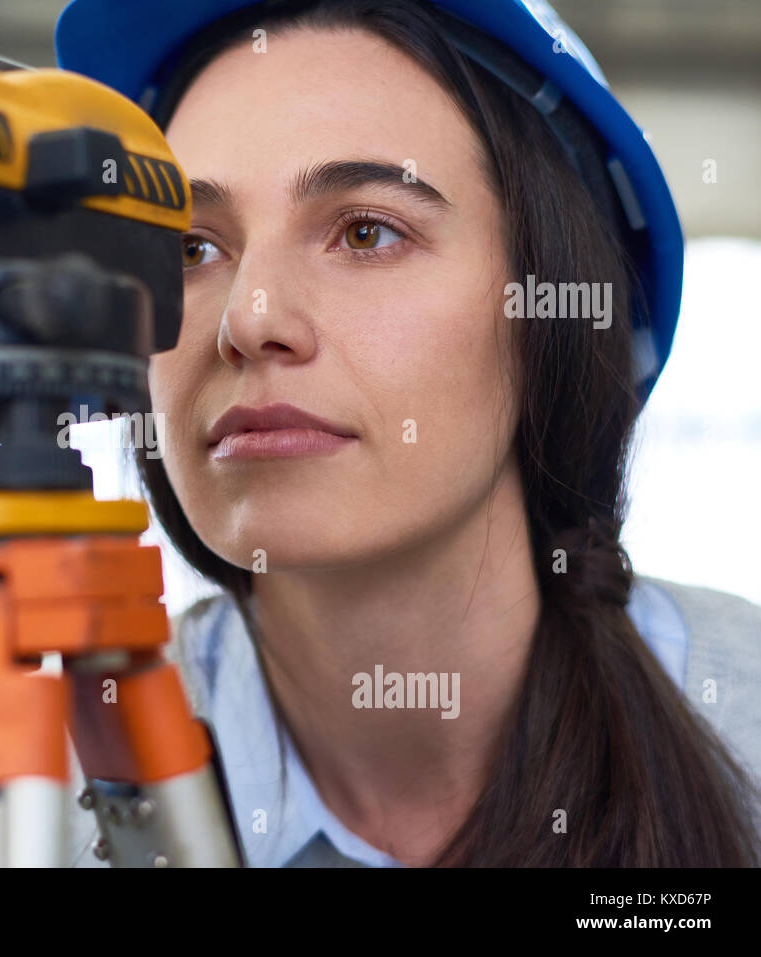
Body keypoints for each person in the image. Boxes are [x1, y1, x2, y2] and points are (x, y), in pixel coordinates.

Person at [55, 0, 761, 866]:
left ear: (548, 314)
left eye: (365, 232)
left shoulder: (743, 720)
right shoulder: (36, 790)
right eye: (191, 251)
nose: (250, 318)